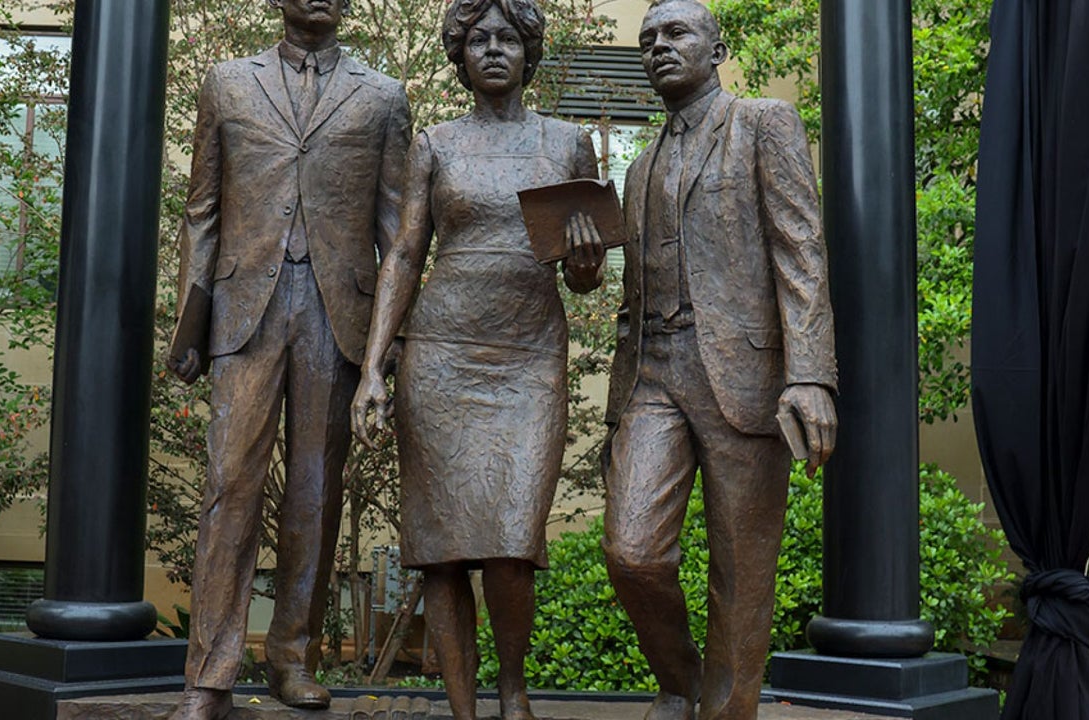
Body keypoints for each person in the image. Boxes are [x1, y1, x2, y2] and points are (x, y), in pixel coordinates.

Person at [350, 0, 604, 717]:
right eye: (477, 40)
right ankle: (464, 706)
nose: (493, 50)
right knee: (443, 544)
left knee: (513, 539)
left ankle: (512, 687)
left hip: (528, 356)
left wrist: (586, 263)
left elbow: (586, 274)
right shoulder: (435, 142)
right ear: (459, 56)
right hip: (442, 353)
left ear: (530, 52)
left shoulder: (567, 142)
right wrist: (374, 367)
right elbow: (404, 253)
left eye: (508, 39)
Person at [166, 0, 410, 717]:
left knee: (314, 490)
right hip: (246, 310)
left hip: (338, 314)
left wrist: (388, 342)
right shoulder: (226, 82)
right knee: (228, 485)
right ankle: (208, 677)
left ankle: (291, 658)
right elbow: (201, 208)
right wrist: (190, 319)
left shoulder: (384, 95)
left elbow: (398, 229)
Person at [601, 1, 838, 719]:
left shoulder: (763, 123)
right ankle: (681, 684)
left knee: (743, 570)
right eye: (647, 41)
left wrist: (811, 375)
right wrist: (617, 406)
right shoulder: (638, 168)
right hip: (653, 375)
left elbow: (801, 254)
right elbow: (630, 294)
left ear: (717, 47)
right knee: (631, 550)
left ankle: (727, 710)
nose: (658, 49)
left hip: (747, 374)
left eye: (675, 34)